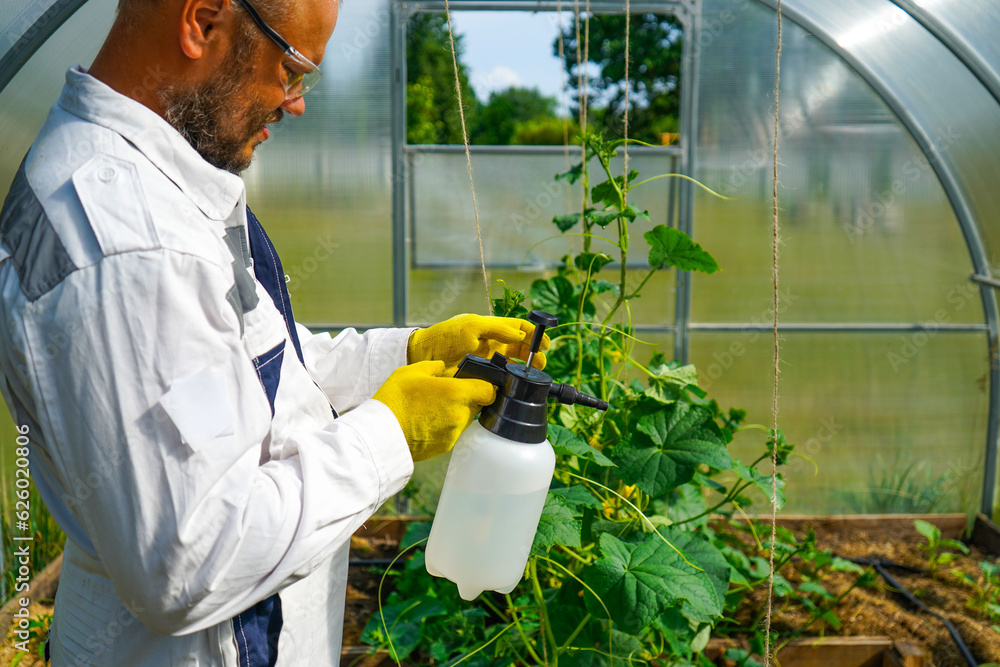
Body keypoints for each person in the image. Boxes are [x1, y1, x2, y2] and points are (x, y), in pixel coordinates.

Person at [0, 0, 547, 664]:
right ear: (202, 22)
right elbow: (188, 557)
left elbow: (250, 374)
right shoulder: (128, 247)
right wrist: (389, 433)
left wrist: (405, 354)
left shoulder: (159, 183)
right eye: (291, 69)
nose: (295, 103)